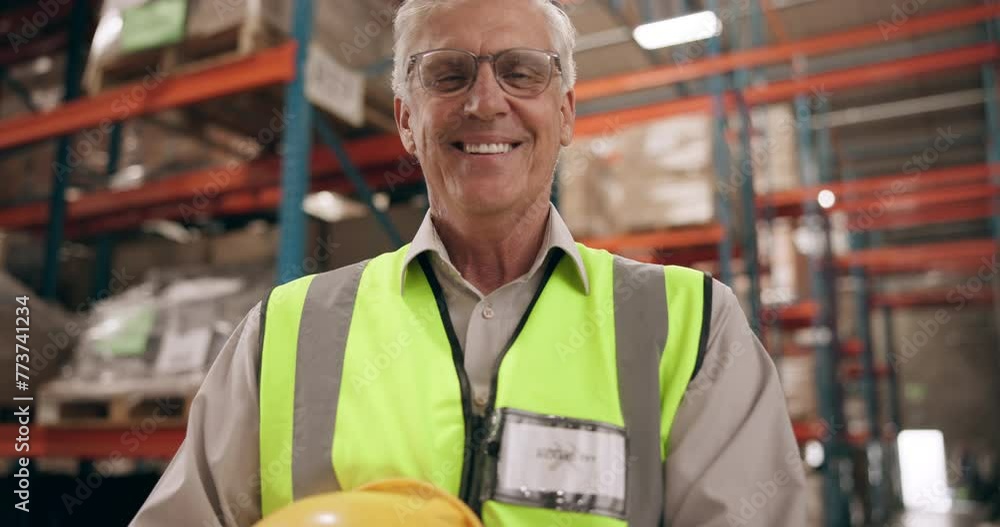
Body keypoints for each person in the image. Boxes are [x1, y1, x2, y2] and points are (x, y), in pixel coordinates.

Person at [132, 0, 807, 525]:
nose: (485, 102)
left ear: (566, 113)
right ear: (406, 119)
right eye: (448, 74)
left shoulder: (691, 327)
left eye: (522, 72)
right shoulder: (286, 330)